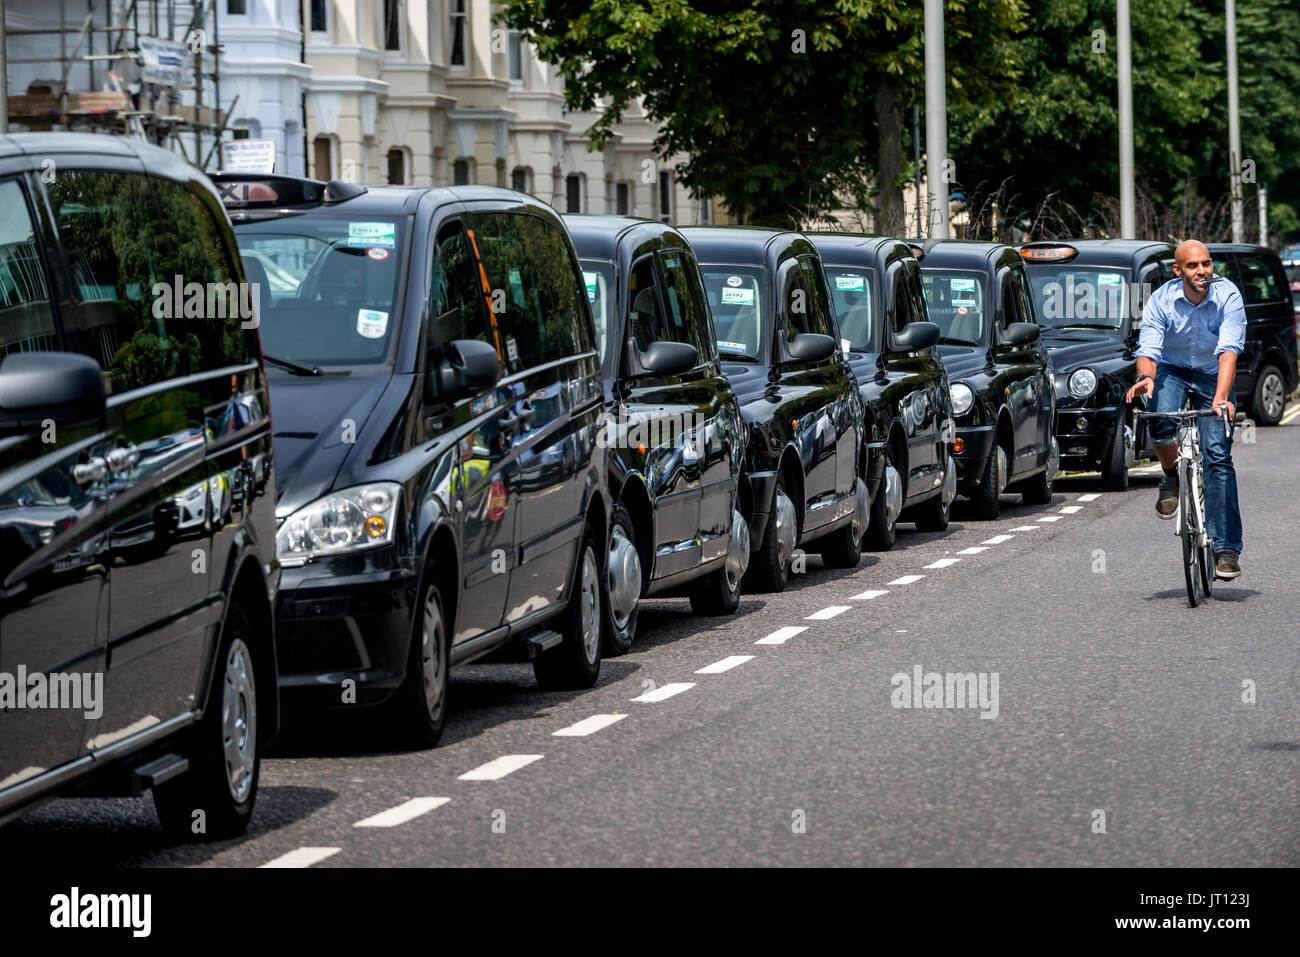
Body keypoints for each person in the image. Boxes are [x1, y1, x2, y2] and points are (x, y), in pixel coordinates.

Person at [1125, 240, 1243, 579]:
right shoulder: (1162, 299)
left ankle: (1226, 548)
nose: (1202, 271)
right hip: (1173, 370)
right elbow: (1149, 347)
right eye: (1193, 266)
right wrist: (1147, 377)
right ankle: (1172, 476)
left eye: (1206, 264)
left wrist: (1221, 398)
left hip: (1212, 372)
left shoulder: (1228, 296)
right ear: (1178, 271)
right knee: (1160, 423)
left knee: (1218, 454)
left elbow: (1229, 351)